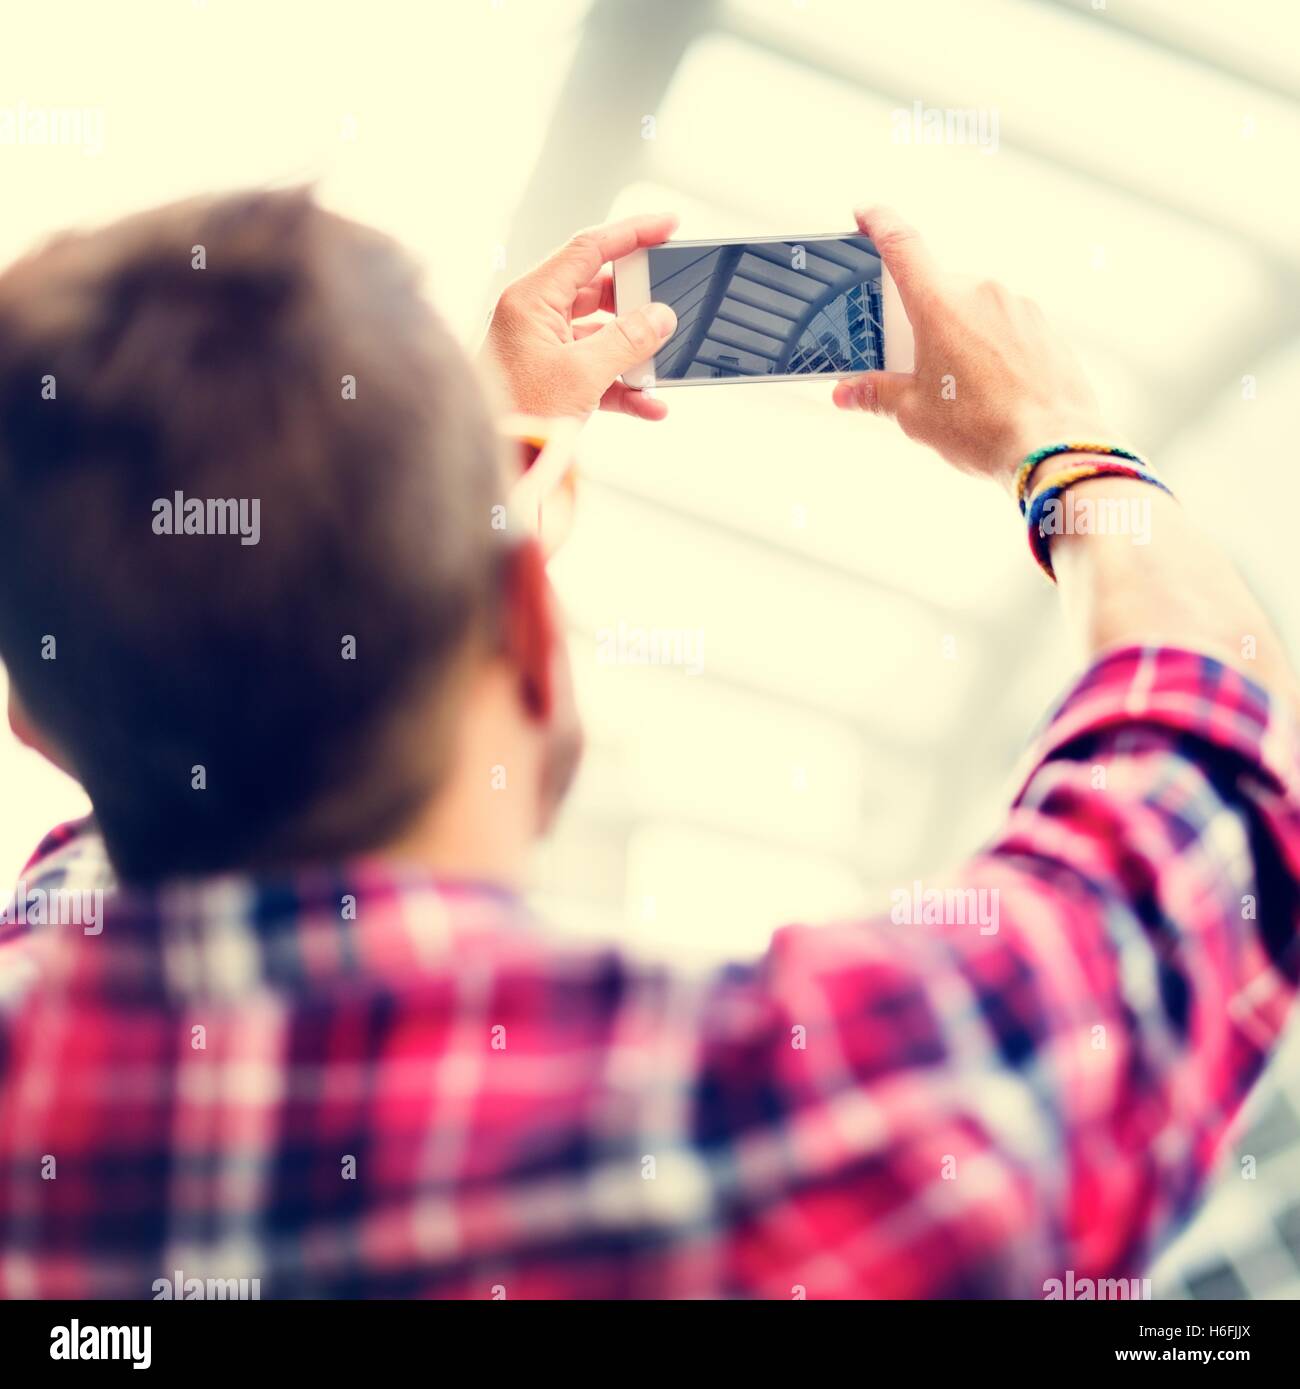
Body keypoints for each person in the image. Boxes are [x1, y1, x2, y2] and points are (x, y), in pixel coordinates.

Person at [0, 189, 1296, 1298]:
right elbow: (1209, 765)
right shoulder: (783, 1120)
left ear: (36, 723)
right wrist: (1057, 431)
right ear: (525, 615)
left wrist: (427, 521)